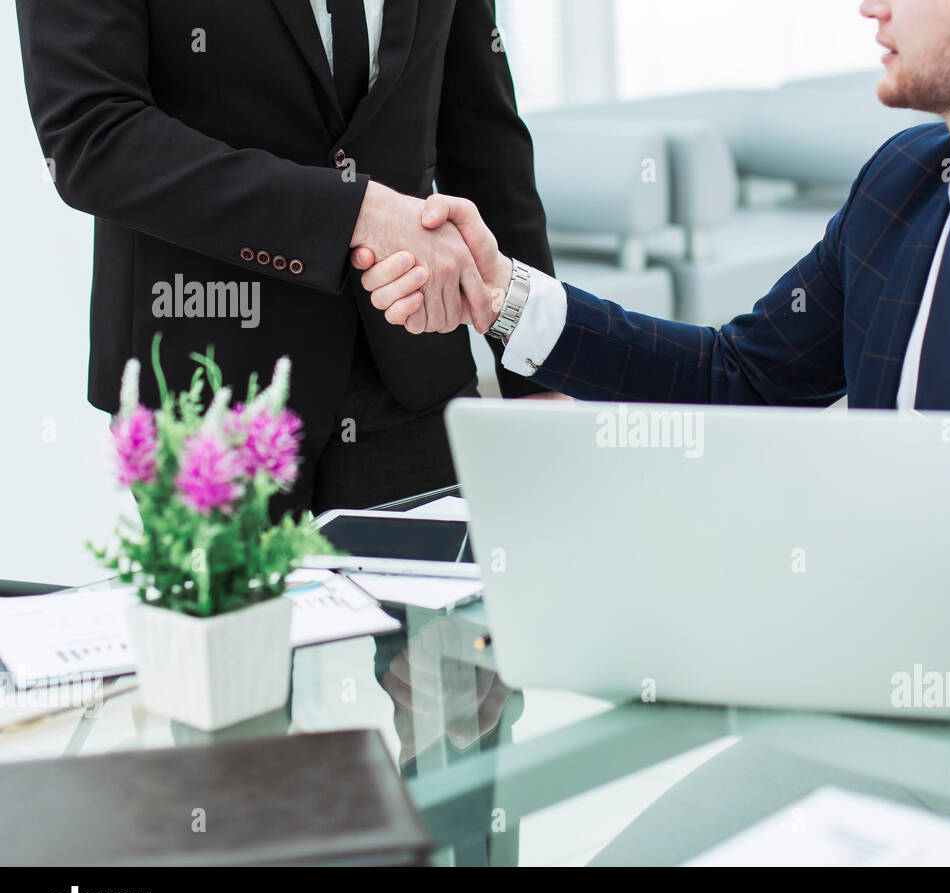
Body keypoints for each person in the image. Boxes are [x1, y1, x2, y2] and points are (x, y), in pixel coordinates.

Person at [357, 0, 950, 725]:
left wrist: (837, 519)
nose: (868, 8)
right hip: (861, 671)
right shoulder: (902, 184)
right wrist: (508, 296)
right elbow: (743, 374)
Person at [15, 0, 563, 518]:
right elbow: (90, 135)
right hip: (206, 384)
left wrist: (538, 369)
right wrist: (356, 212)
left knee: (441, 618)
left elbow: (481, 129)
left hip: (414, 377)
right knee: (241, 623)